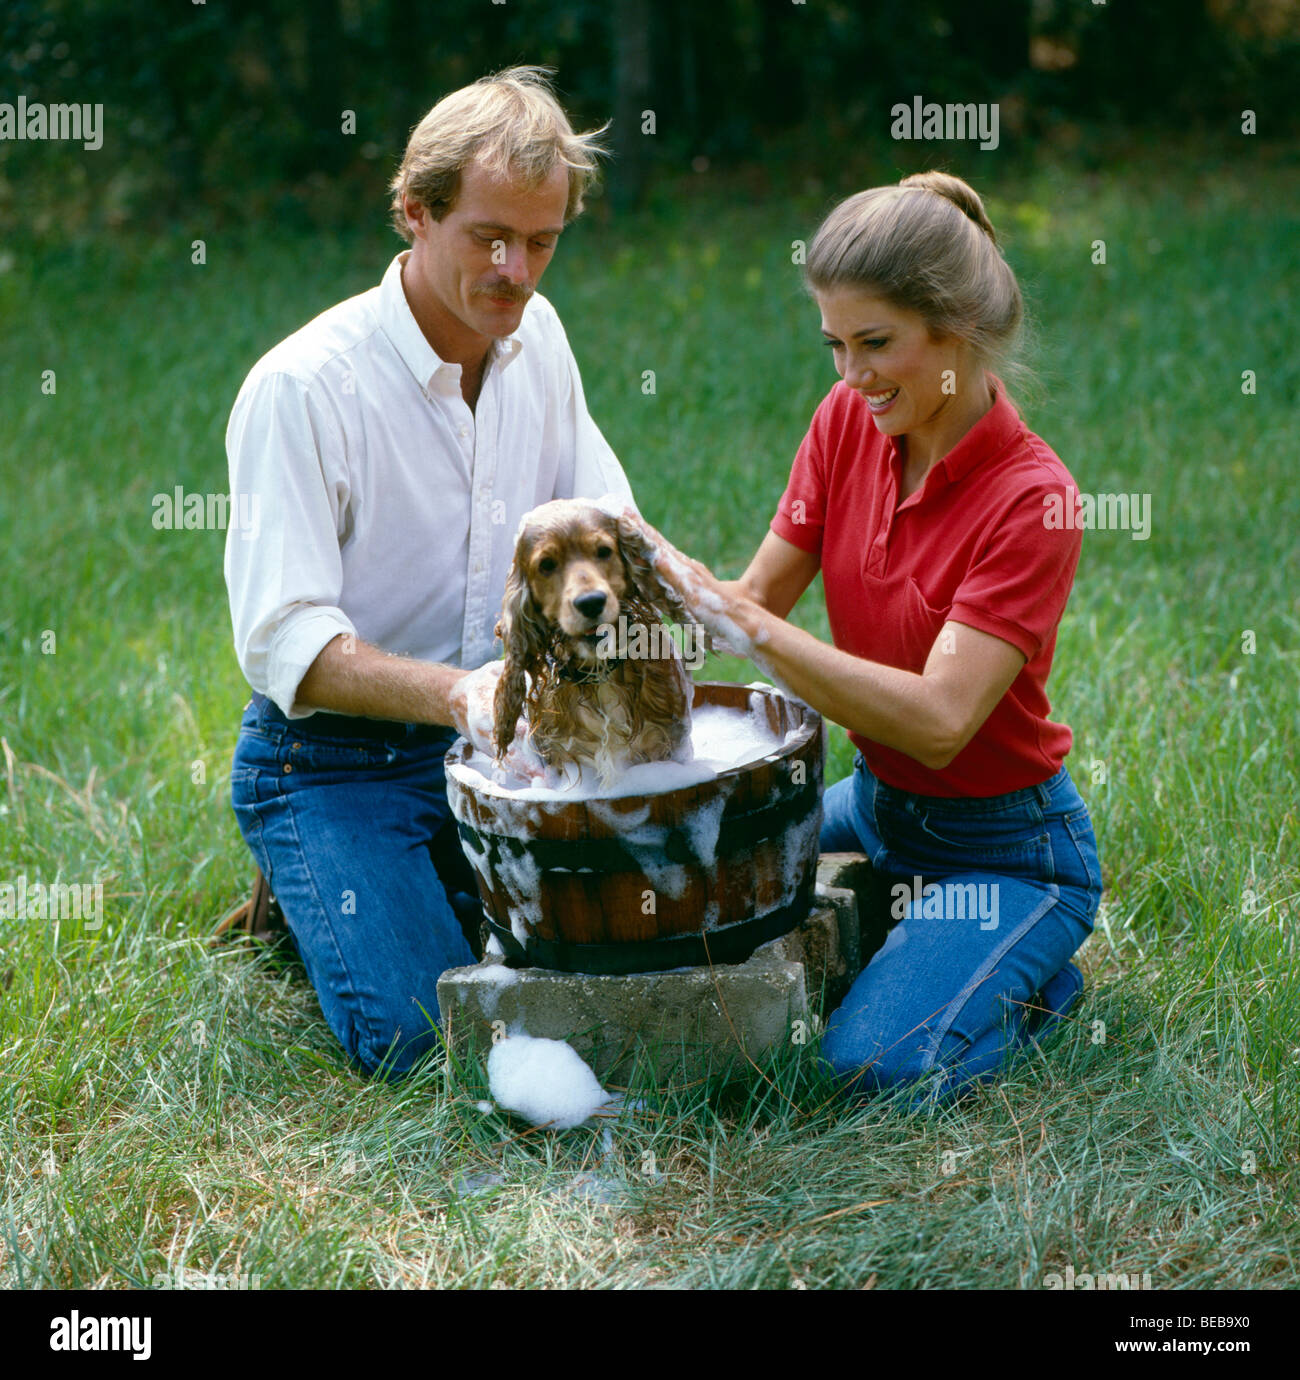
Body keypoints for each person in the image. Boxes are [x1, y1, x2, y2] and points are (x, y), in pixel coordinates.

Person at [637, 172, 1103, 1109]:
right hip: (883, 806)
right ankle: (939, 943)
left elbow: (938, 722)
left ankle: (1031, 975)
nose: (852, 376)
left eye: (877, 344)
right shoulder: (847, 422)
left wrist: (750, 628)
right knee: (672, 865)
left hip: (1007, 846)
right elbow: (755, 596)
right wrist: (632, 584)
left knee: (871, 1068)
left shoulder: (1031, 500)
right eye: (836, 346)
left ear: (956, 328)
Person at [223, 67, 632, 1080]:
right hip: (330, 759)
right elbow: (283, 643)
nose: (517, 270)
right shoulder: (304, 387)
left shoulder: (538, 339)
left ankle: (362, 891)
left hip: (508, 741)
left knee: (637, 944)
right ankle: (324, 864)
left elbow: (606, 520)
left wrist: (709, 610)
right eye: (488, 236)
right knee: (428, 1040)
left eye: (541, 242)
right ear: (413, 210)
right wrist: (459, 693)